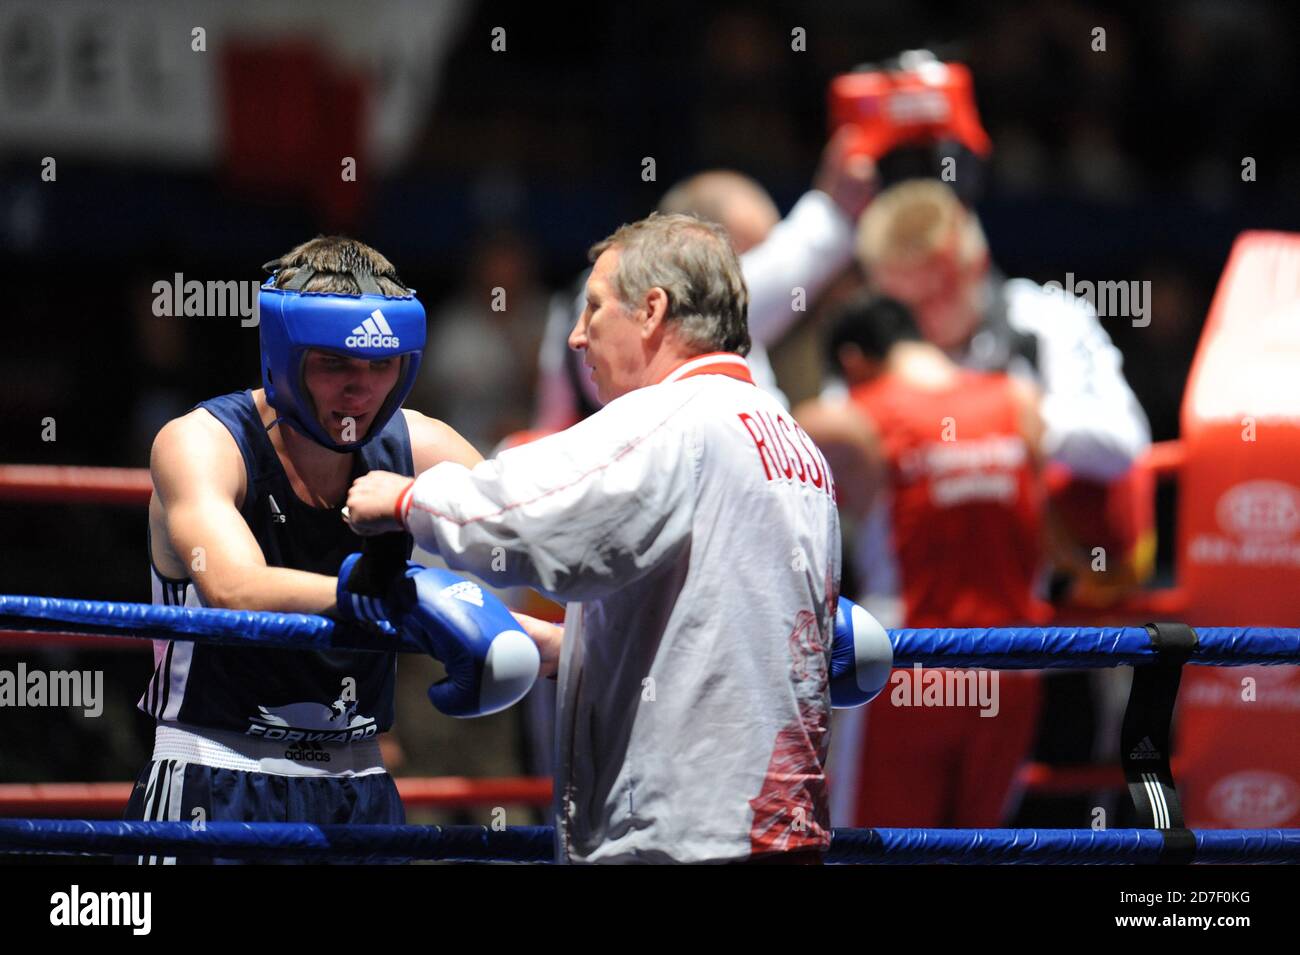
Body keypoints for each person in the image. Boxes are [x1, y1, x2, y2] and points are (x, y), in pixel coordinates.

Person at [345, 213, 846, 864]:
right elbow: (708, 617)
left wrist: (409, 498)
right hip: (777, 823)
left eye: (594, 307)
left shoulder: (669, 419)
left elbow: (534, 514)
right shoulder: (789, 440)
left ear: (652, 310)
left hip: (684, 833)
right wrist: (571, 646)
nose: (578, 337)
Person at [127, 236, 487, 860]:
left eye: (381, 365)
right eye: (335, 364)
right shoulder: (201, 443)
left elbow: (532, 536)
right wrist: (397, 600)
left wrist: (551, 642)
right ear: (284, 356)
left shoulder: (422, 445)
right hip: (217, 775)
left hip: (361, 787)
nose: (361, 389)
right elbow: (234, 588)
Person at [798, 294, 1049, 827]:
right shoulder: (1019, 400)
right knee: (980, 852)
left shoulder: (850, 418)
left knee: (875, 852)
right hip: (1011, 667)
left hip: (910, 664)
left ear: (852, 361)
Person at [534, 129, 877, 429]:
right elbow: (797, 260)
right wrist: (836, 204)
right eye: (748, 259)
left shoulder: (588, 301)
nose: (744, 281)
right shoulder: (612, 298)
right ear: (699, 249)